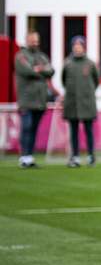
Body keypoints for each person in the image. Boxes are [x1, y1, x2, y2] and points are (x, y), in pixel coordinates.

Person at [15, 30, 54, 169]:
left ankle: (30, 157)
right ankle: (23, 156)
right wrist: (40, 71)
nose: (35, 43)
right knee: (26, 127)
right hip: (26, 100)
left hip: (40, 100)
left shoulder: (42, 56)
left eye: (36, 41)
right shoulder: (20, 56)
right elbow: (27, 71)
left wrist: (40, 69)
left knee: (34, 129)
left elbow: (51, 70)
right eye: (32, 40)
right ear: (27, 40)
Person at [61, 35, 100, 168]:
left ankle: (91, 156)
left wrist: (86, 93)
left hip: (87, 103)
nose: (78, 48)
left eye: (80, 45)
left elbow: (96, 81)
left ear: (83, 47)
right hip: (72, 103)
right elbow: (64, 80)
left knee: (89, 131)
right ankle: (75, 156)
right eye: (75, 46)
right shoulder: (68, 63)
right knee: (74, 131)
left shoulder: (90, 63)